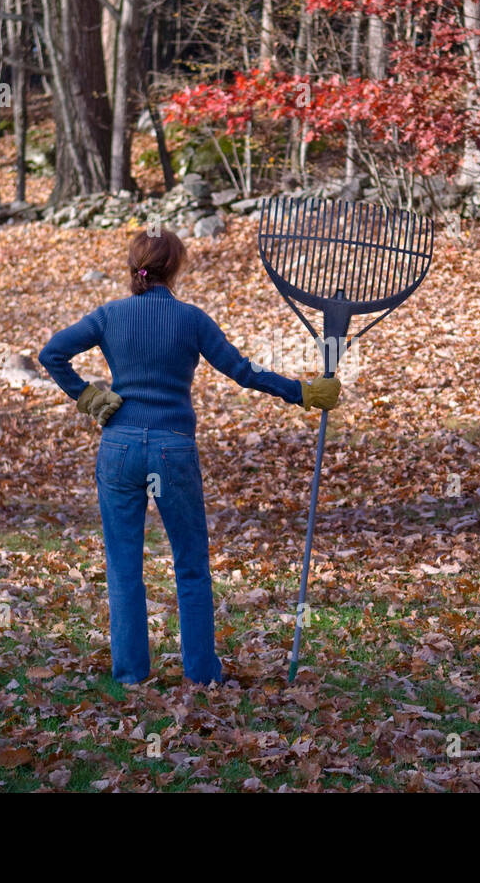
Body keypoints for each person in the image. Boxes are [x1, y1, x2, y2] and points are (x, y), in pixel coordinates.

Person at [39, 229, 342, 685]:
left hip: (119, 448)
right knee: (191, 565)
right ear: (175, 267)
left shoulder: (108, 316)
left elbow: (51, 353)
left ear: (133, 267)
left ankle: (131, 677)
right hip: (172, 449)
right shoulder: (191, 320)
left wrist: (86, 396)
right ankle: (201, 675)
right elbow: (243, 370)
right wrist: (300, 392)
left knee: (124, 568)